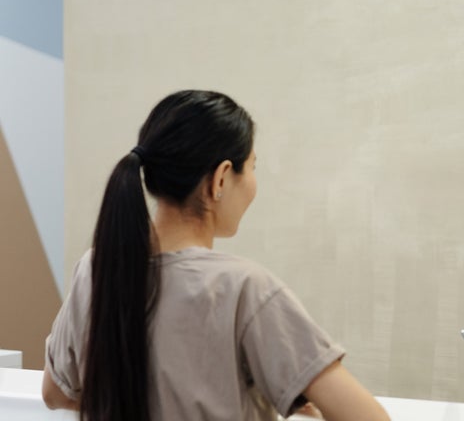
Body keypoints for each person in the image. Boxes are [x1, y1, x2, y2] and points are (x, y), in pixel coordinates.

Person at [42, 90, 389, 421]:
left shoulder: (94, 269)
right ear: (221, 178)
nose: (254, 183)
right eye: (252, 167)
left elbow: (54, 393)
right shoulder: (244, 288)